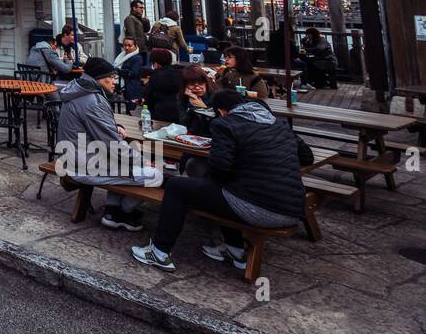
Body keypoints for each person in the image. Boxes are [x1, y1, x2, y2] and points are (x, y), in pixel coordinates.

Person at [130, 89, 308, 273]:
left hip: (258, 208)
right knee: (221, 188)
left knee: (177, 186)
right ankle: (235, 251)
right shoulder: (278, 124)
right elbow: (307, 157)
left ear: (221, 111)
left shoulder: (226, 124)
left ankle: (158, 252)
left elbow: (220, 168)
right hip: (292, 209)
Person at [55, 57, 162, 232]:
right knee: (155, 175)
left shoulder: (81, 91)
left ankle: (112, 212)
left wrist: (115, 127)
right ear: (98, 78)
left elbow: (98, 129)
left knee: (124, 161)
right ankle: (124, 212)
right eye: (110, 78)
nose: (114, 82)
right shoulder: (92, 101)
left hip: (76, 157)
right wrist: (142, 161)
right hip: (82, 165)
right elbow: (114, 146)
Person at [143, 48, 184, 122]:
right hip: (179, 112)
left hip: (160, 113)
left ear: (156, 63)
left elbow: (149, 97)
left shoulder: (155, 76)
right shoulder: (180, 73)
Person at [112, 36, 145, 112]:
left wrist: (119, 70)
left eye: (129, 45)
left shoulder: (137, 58)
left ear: (136, 46)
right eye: (125, 45)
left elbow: (133, 74)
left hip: (131, 84)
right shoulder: (123, 55)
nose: (126, 48)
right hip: (124, 81)